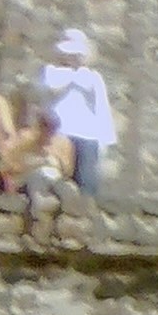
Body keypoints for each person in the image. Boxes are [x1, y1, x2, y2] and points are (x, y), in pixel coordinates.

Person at [39, 28, 118, 199]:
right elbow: (50, 92)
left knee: (86, 185)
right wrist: (72, 77)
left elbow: (102, 108)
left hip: (88, 136)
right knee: (54, 181)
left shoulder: (92, 77)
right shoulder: (51, 72)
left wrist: (105, 139)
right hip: (60, 135)